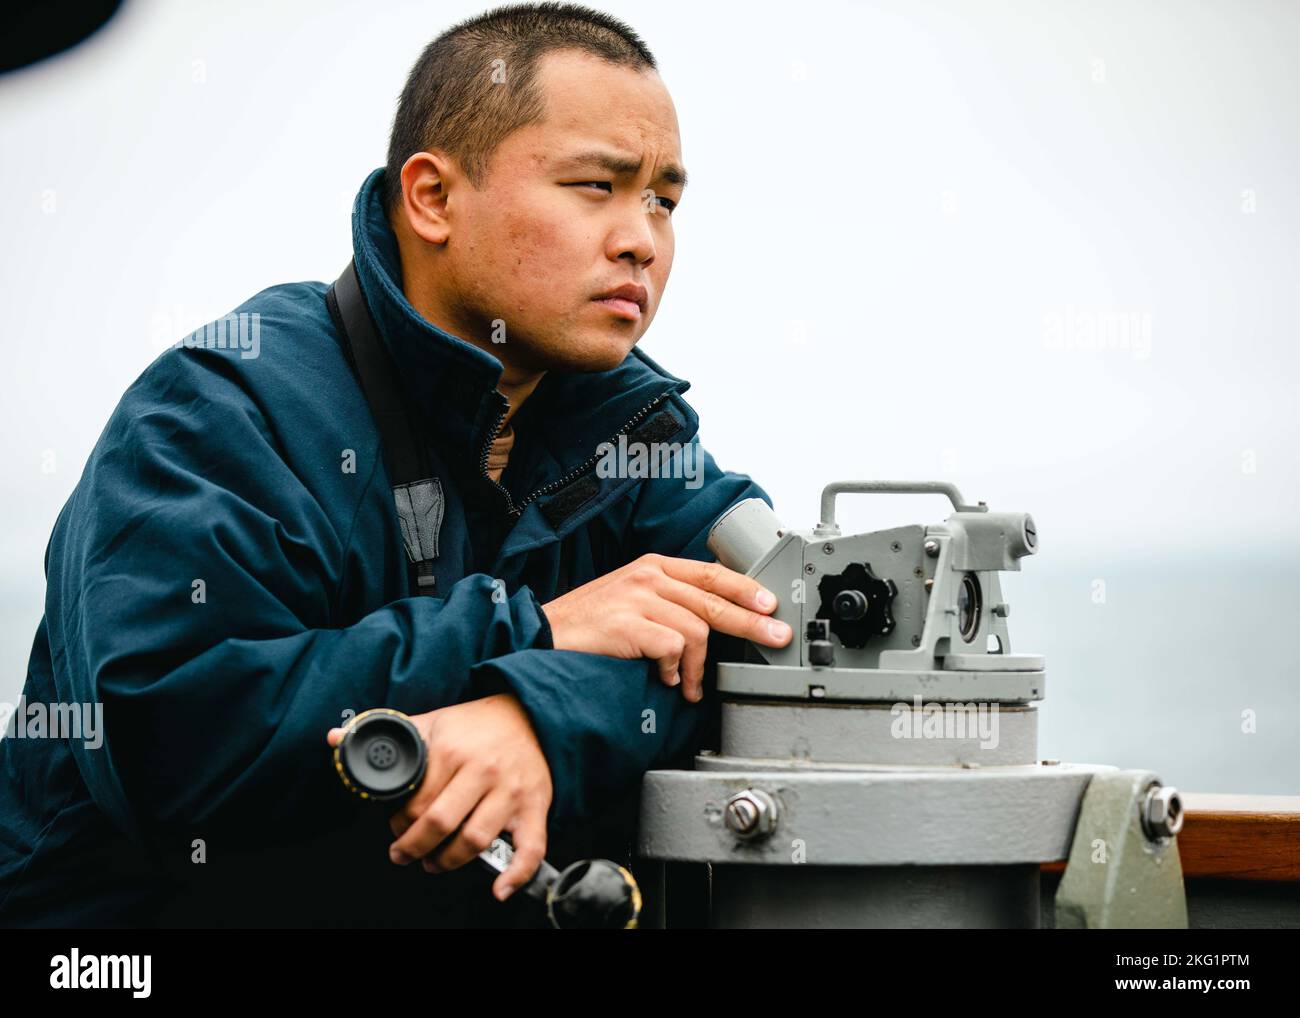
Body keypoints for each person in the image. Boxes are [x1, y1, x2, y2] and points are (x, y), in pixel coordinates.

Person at [0, 2, 792, 928]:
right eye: (594, 186)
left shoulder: (636, 431)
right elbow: (173, 736)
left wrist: (534, 713)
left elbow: (771, 634)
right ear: (430, 199)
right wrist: (527, 633)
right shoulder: (222, 406)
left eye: (664, 199)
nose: (642, 240)